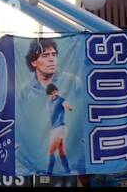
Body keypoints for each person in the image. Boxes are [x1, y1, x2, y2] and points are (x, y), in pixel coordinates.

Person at [16, 38, 84, 177]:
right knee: (60, 151)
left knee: (55, 152)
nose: (52, 59)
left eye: (54, 55)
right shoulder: (25, 90)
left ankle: (59, 170)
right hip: (33, 159)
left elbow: (83, 116)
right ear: (34, 62)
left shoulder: (72, 82)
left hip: (68, 141)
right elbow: (22, 123)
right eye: (45, 56)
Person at [45, 84, 74, 175]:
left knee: (50, 151)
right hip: (54, 129)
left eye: (55, 92)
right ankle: (68, 171)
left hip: (60, 128)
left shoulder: (61, 100)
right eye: (52, 93)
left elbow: (67, 106)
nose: (54, 94)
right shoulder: (49, 103)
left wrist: (69, 107)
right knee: (62, 152)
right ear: (48, 94)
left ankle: (49, 173)